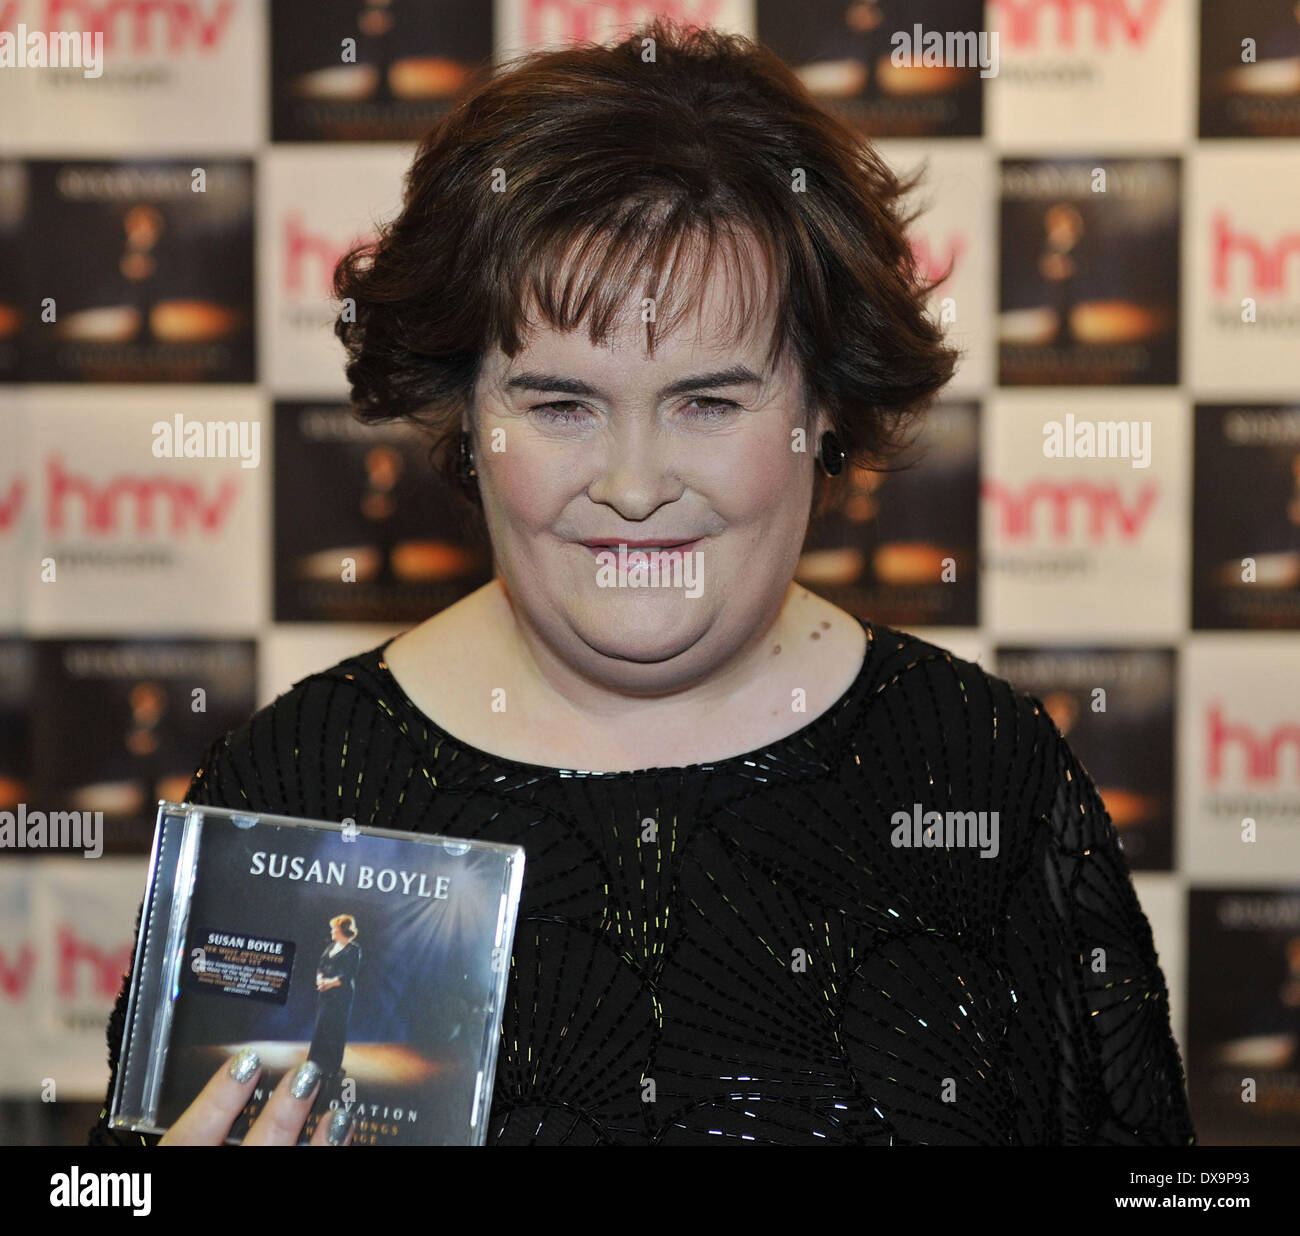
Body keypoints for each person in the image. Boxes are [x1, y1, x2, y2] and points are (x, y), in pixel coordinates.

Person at [91, 20, 1195, 1147]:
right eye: (561, 404)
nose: (631, 485)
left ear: (824, 412)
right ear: (467, 422)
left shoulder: (980, 769)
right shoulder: (299, 787)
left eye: (708, 402)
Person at [307, 915, 361, 1101]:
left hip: (341, 996)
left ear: (343, 931)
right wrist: (319, 980)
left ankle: (331, 1068)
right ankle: (315, 1063)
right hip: (325, 994)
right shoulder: (330, 947)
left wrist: (329, 983)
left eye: (334, 929)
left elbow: (348, 975)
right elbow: (320, 967)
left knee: (335, 1029)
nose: (331, 932)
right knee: (321, 1027)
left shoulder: (353, 950)